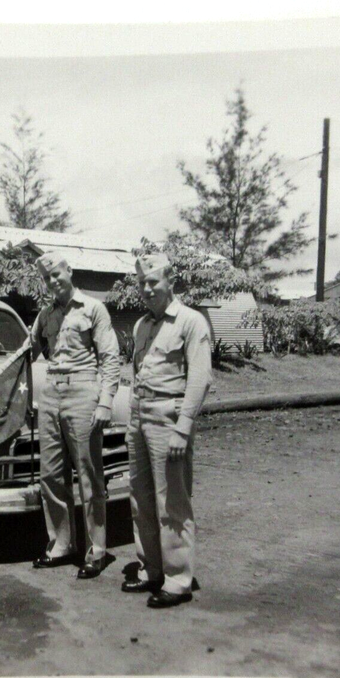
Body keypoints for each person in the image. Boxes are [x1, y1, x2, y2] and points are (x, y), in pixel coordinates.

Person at [0, 252, 120, 579]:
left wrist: (105, 401)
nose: (52, 281)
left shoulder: (94, 309)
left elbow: (110, 358)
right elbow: (26, 352)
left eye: (56, 274)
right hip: (51, 394)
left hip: (82, 391)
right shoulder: (45, 315)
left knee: (89, 474)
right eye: (46, 278)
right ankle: (61, 543)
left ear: (69, 271)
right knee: (51, 474)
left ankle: (97, 549)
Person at [122, 253, 212, 608]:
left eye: (153, 281)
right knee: (140, 498)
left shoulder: (191, 322)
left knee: (172, 500)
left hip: (168, 418)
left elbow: (200, 378)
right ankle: (151, 569)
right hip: (139, 415)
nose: (147, 289)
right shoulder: (141, 325)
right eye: (141, 283)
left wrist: (183, 427)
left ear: (170, 281)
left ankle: (177, 580)